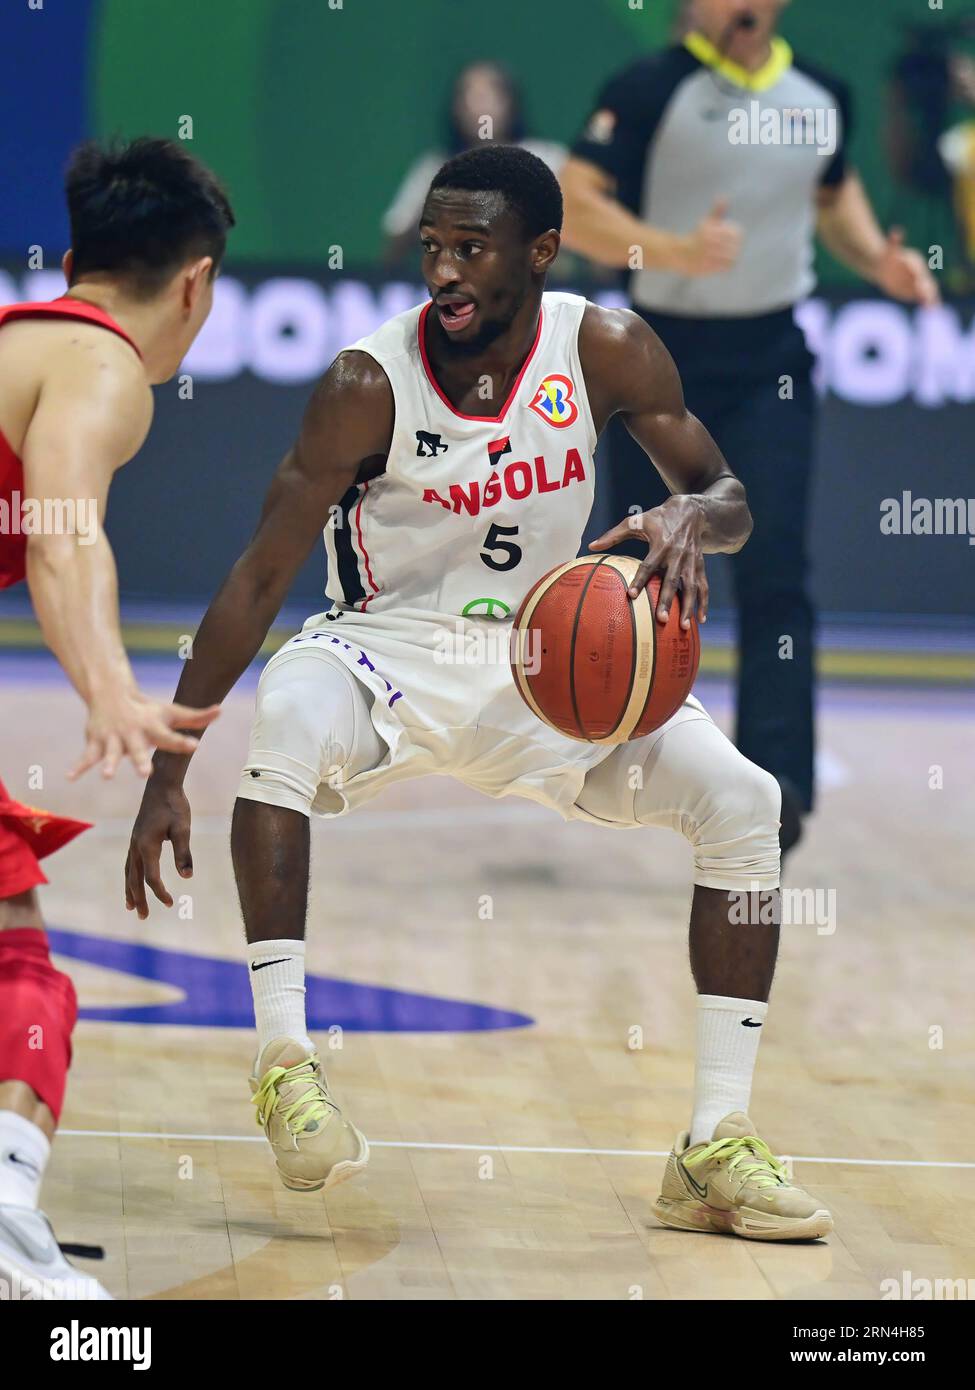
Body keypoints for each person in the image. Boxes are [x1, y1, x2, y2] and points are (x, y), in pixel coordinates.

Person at [126, 143, 832, 1241]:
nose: (445, 272)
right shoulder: (368, 382)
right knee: (290, 716)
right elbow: (260, 573)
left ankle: (713, 1144)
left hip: (554, 672)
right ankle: (284, 1064)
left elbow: (731, 495)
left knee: (744, 803)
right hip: (386, 655)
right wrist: (170, 765)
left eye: (472, 249)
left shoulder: (602, 345)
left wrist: (696, 516)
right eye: (432, 249)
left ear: (542, 251)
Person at [560, 0, 938, 853]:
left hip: (769, 358)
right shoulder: (648, 88)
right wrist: (669, 249)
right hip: (657, 357)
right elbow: (577, 207)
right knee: (635, 560)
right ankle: (621, 756)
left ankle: (777, 785)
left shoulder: (818, 93)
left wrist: (877, 256)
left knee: (772, 571)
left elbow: (831, 195)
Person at [0, 137, 233, 1299]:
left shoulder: (23, 338)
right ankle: (1, 1220)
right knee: (16, 958)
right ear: (195, 282)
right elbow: (60, 527)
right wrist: (106, 687)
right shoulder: (103, 369)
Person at [382, 61, 566, 269]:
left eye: (488, 93)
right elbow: (396, 239)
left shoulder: (549, 159)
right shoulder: (432, 168)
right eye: (468, 94)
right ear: (455, 109)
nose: (477, 103)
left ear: (510, 103)